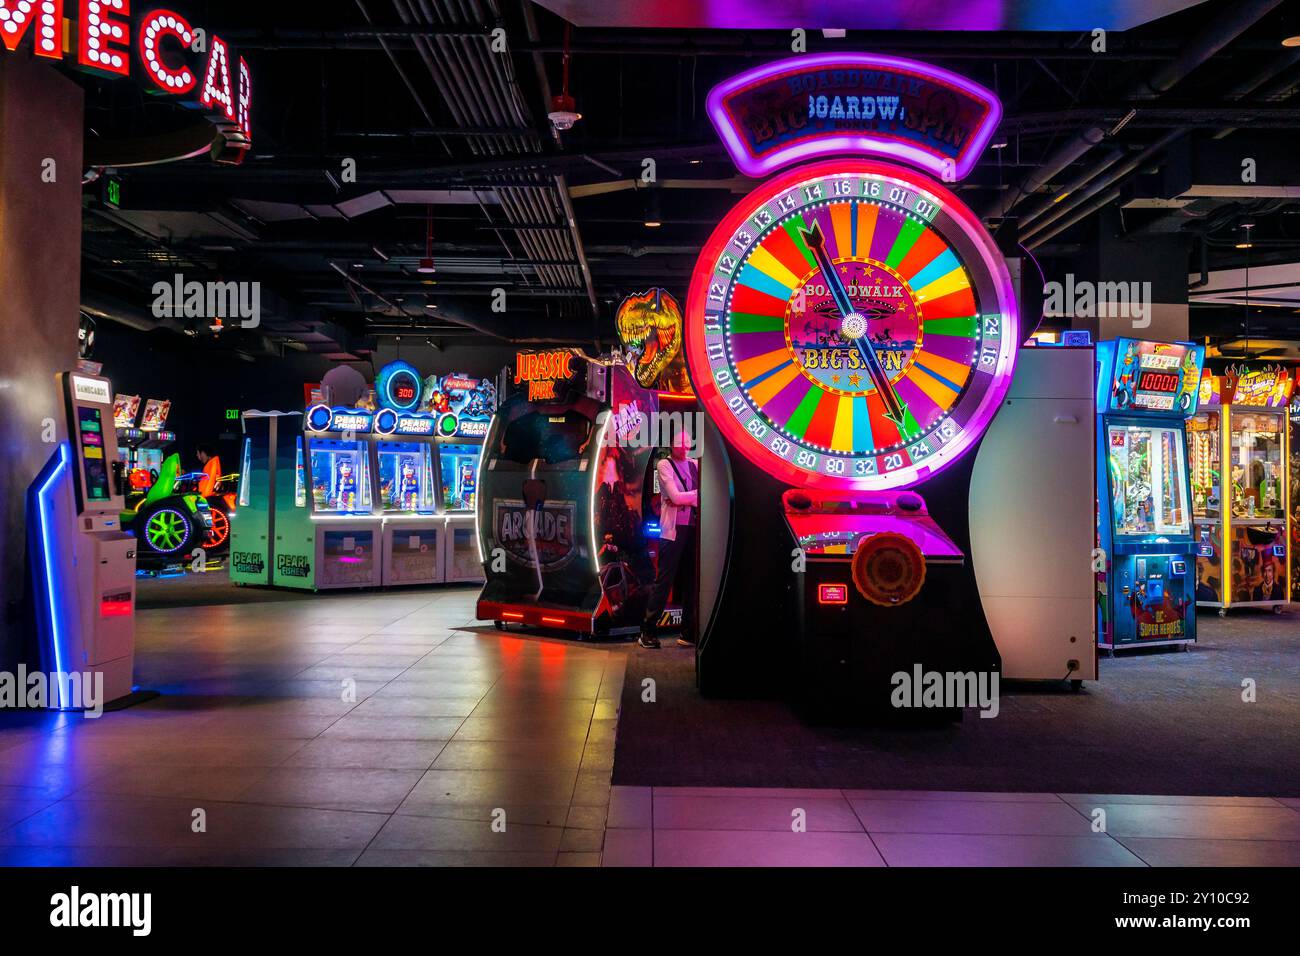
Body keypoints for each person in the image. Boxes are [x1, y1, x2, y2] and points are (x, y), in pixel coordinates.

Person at [640, 430, 699, 649]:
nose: (684, 448)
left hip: (693, 529)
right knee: (664, 581)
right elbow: (674, 497)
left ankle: (688, 631)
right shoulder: (665, 465)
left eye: (687, 444)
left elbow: (700, 494)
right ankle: (648, 630)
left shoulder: (694, 464)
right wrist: (694, 496)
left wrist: (687, 499)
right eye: (680, 444)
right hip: (672, 531)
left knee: (692, 582)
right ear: (672, 446)